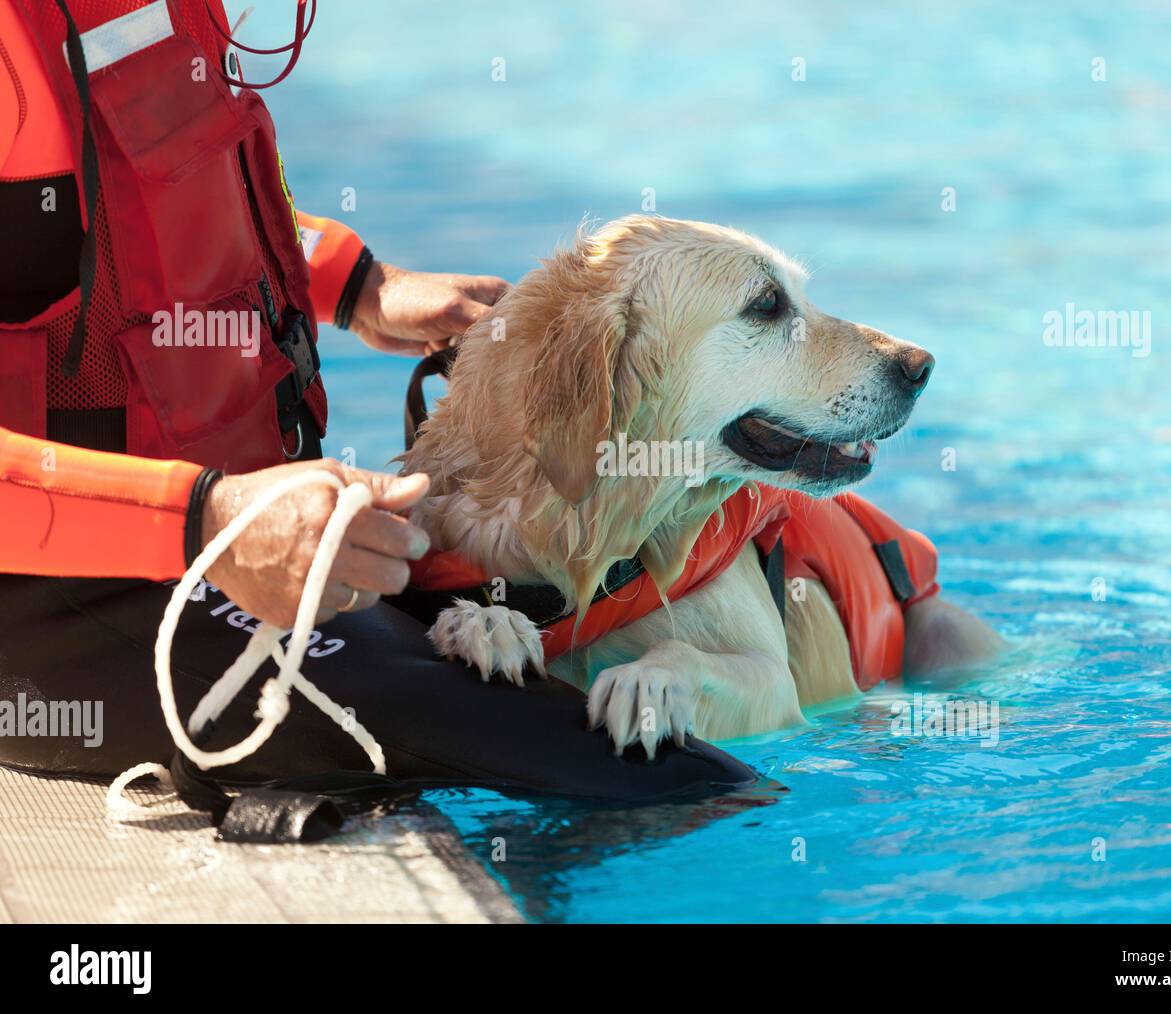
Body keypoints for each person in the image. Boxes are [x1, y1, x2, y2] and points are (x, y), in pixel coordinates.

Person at [0, 0, 757, 801]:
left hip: (223, 534)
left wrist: (358, 284)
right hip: (62, 593)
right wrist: (206, 519)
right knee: (657, 775)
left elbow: (134, 210)